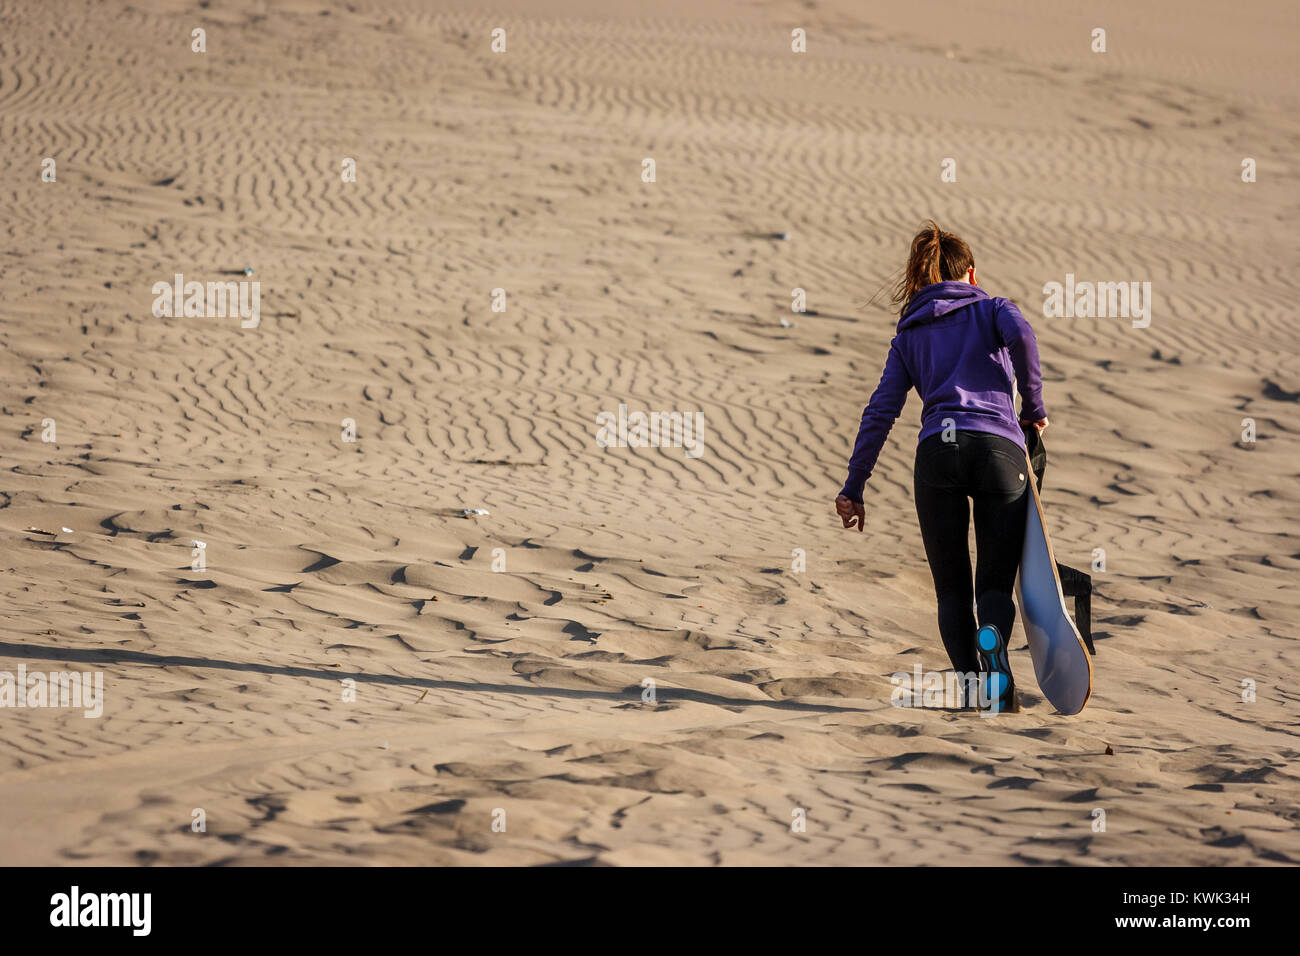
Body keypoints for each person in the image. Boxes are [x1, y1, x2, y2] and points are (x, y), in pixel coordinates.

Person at [834, 221, 1048, 713]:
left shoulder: (909, 334)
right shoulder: (994, 309)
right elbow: (1024, 336)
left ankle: (975, 688)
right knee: (993, 584)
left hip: (937, 456)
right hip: (999, 452)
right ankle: (996, 655)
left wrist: (855, 484)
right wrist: (1033, 407)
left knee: (952, 589)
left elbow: (880, 412)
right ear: (970, 274)